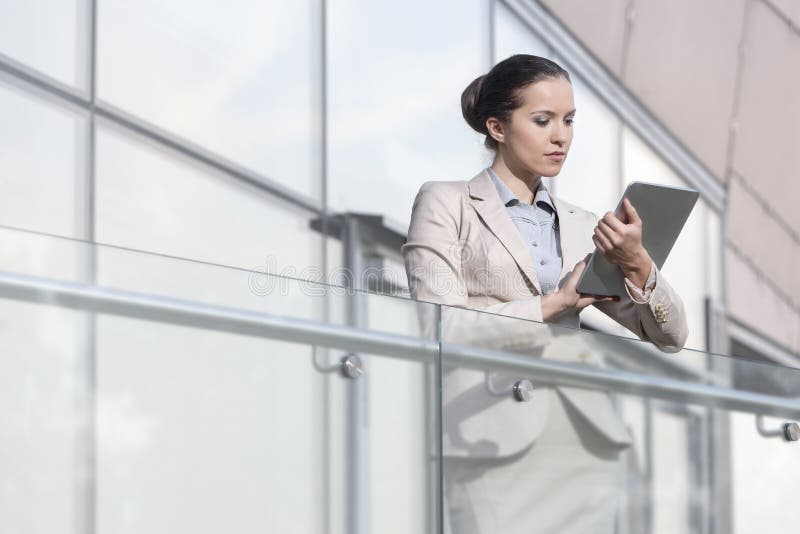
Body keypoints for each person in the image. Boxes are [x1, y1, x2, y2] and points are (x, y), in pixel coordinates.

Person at [401, 54, 688, 533]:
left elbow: (672, 335)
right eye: (543, 120)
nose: (561, 136)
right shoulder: (446, 202)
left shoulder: (583, 225)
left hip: (584, 441)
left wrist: (639, 264)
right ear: (496, 126)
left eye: (569, 120)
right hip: (490, 436)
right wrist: (555, 303)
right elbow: (439, 327)